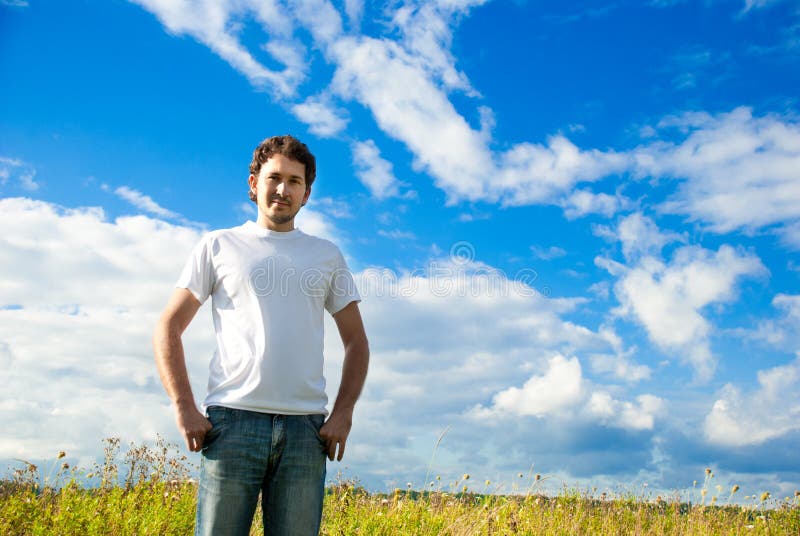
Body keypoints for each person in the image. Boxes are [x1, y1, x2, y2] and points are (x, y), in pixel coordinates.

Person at [152, 135, 369, 536]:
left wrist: (343, 412)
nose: (283, 189)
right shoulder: (218, 245)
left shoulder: (327, 255)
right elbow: (169, 326)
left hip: (306, 432)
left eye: (295, 181)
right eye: (274, 178)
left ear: (306, 194)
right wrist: (182, 405)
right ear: (254, 183)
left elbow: (357, 341)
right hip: (231, 424)